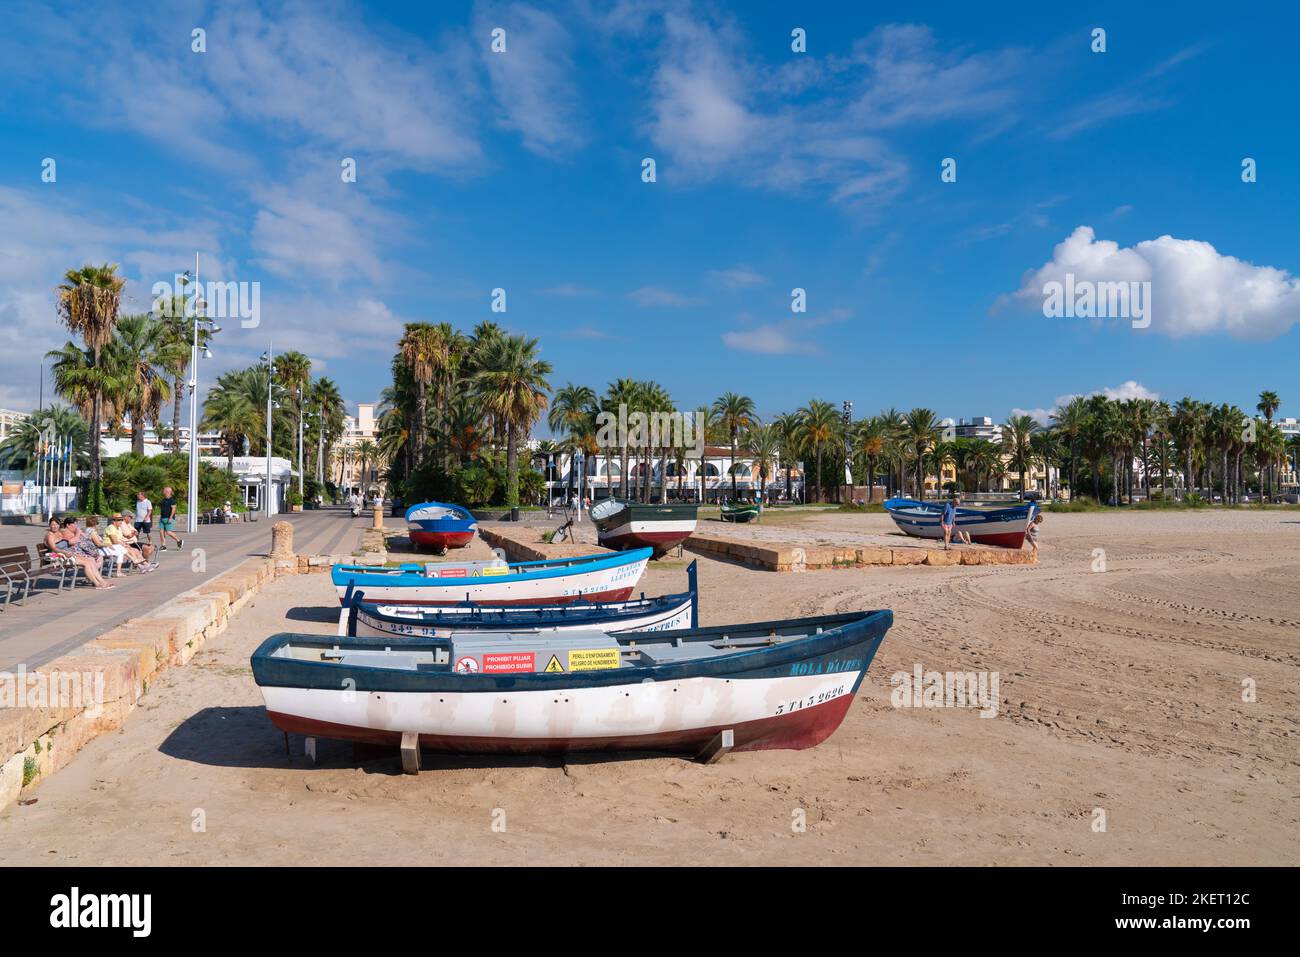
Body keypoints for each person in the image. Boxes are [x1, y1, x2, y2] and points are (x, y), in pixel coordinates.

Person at [53, 517, 114, 589]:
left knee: (91, 560)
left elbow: (85, 538)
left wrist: (80, 533)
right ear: (68, 525)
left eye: (77, 524)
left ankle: (101, 581)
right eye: (75, 524)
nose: (76, 526)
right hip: (68, 554)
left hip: (74, 552)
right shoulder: (65, 531)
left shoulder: (71, 531)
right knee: (89, 562)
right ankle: (96, 583)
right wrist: (78, 533)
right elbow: (72, 542)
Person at [157, 486, 183, 550]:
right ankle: (163, 545)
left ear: (167, 492)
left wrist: (170, 518)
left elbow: (173, 509)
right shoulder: (163, 500)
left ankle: (179, 541)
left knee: (168, 532)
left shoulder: (172, 500)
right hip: (162, 518)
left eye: (164, 490)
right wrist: (160, 517)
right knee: (161, 531)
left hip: (169, 518)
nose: (163, 491)